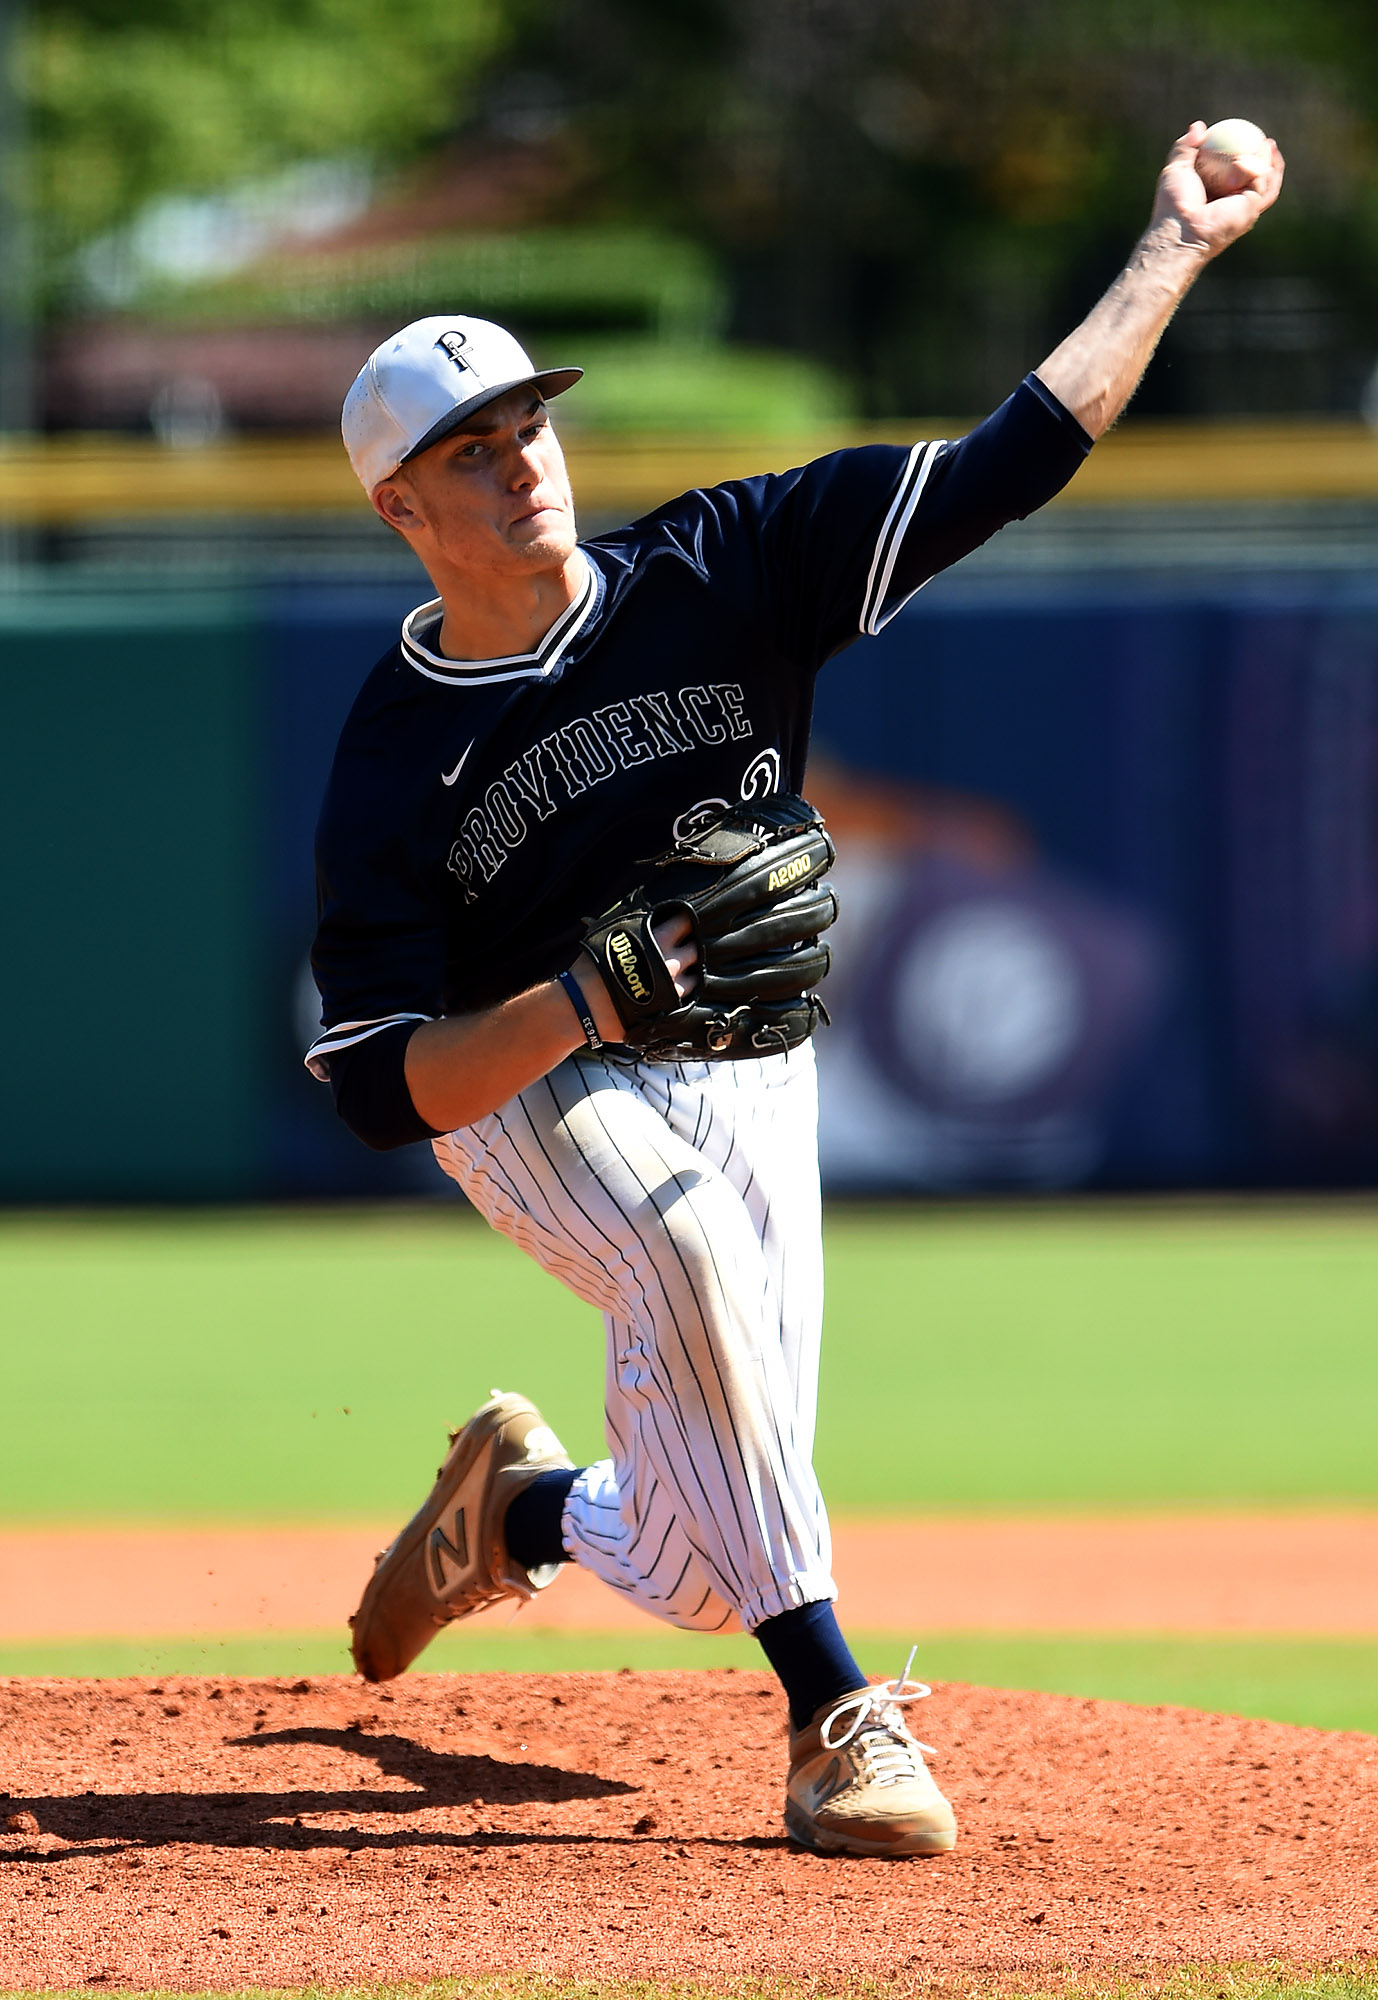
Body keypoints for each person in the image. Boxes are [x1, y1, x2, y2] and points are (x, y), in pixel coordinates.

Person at [306, 123, 1282, 1857]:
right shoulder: (397, 757)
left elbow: (1013, 457)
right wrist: (573, 1008)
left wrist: (1170, 254)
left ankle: (513, 1519)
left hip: (747, 1063)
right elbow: (386, 1085)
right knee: (678, 1253)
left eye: (529, 419)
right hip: (526, 1090)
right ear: (401, 508)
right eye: (469, 447)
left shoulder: (725, 566)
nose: (520, 457)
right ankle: (839, 1718)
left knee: (688, 1563)